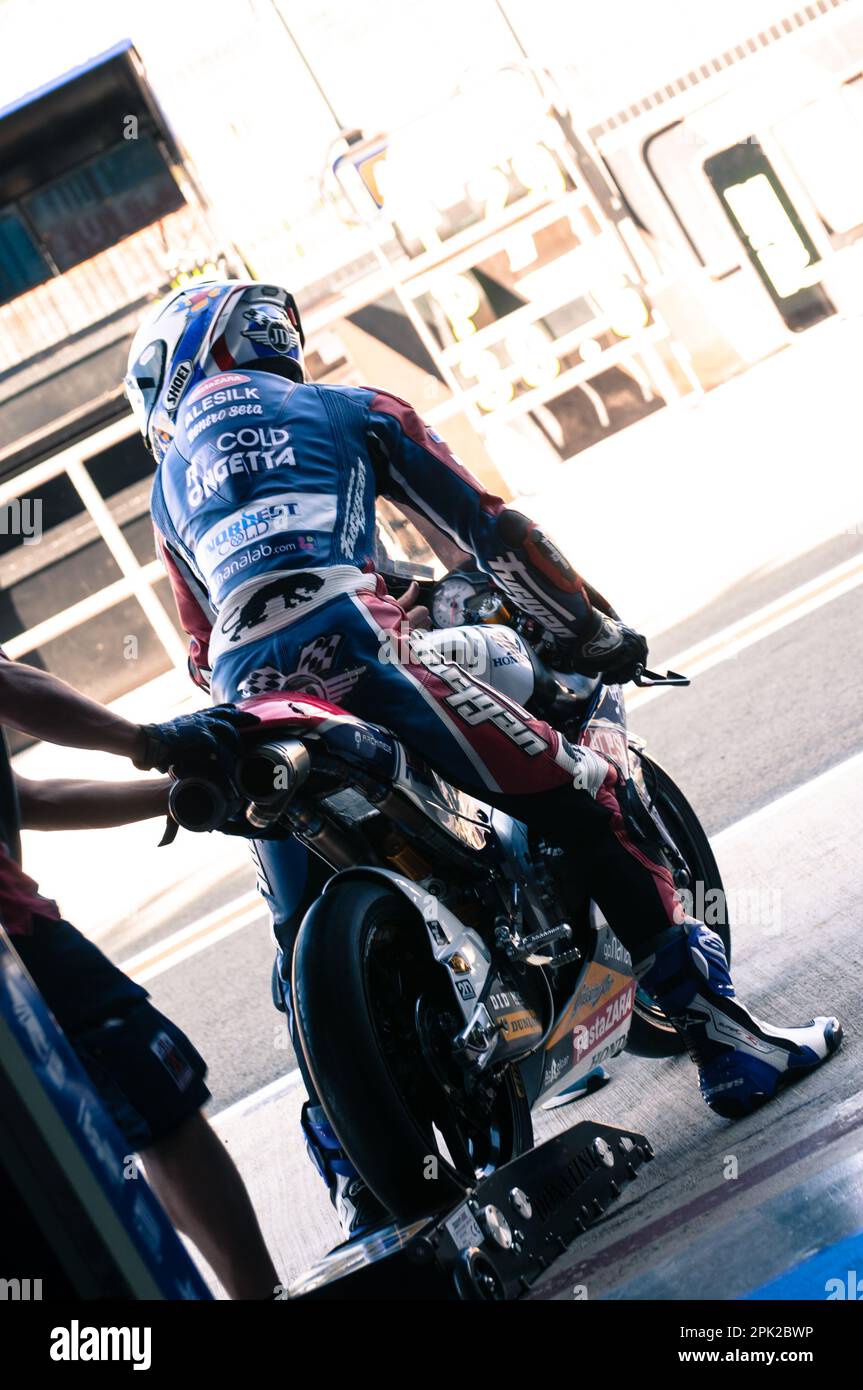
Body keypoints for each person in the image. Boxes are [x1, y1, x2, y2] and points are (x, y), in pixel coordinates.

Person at [129, 278, 841, 1237]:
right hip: (366, 659)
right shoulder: (354, 409)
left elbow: (203, 645)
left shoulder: (168, 490)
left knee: (297, 949)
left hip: (245, 712)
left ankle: (358, 1189)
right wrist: (590, 625)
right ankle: (724, 1042)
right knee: (580, 801)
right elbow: (490, 530)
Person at [0, 650, 279, 1298]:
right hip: (18, 947)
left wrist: (177, 795)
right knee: (159, 1104)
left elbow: (24, 799)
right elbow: (12, 685)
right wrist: (153, 742)